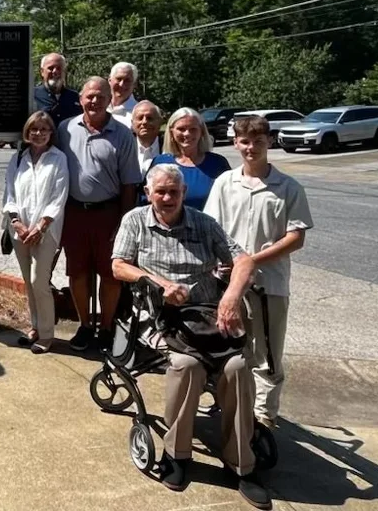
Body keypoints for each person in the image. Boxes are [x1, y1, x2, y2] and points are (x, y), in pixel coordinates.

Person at [112, 164, 271, 510]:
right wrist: (160, 285)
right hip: (158, 317)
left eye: (174, 191)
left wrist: (230, 298)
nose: (168, 198)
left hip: (207, 316)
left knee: (237, 367)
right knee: (187, 365)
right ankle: (177, 454)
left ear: (184, 193)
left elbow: (244, 262)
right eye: (161, 191)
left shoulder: (203, 223)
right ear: (148, 193)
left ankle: (242, 464)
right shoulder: (135, 220)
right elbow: (119, 265)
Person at [204, 115, 313, 430]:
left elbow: (296, 237)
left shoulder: (288, 187)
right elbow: (212, 228)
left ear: (270, 142)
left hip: (270, 284)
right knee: (233, 348)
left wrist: (251, 260)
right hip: (228, 284)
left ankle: (264, 417)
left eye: (258, 141)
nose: (251, 148)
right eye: (245, 142)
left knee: (267, 353)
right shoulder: (225, 183)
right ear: (236, 143)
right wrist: (229, 264)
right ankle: (235, 406)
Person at [57, 76, 141, 352]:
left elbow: (129, 183)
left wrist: (124, 223)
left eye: (101, 96)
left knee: (109, 274)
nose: (94, 101)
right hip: (74, 213)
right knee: (77, 272)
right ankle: (85, 326)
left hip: (109, 213)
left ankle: (106, 328)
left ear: (109, 100)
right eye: (90, 96)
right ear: (81, 98)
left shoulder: (123, 134)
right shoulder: (65, 129)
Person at [2, 111, 69, 354]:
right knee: (28, 283)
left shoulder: (58, 158)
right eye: (34, 129)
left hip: (46, 231)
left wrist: (41, 226)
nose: (38, 133)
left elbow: (58, 197)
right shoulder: (18, 158)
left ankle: (47, 335)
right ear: (27, 132)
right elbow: (9, 192)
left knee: (38, 281)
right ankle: (35, 327)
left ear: (51, 133)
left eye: (43, 129)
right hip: (20, 230)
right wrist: (16, 222)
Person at [147, 107, 230, 210]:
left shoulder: (218, 163)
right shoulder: (160, 163)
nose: (187, 134)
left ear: (201, 131)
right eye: (181, 129)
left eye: (193, 129)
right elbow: (147, 202)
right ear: (171, 132)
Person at [33, 53, 82, 129]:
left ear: (64, 72)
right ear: (42, 72)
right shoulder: (32, 96)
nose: (55, 71)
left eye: (59, 68)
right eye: (50, 68)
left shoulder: (75, 98)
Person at [132, 100, 163, 175]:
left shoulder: (169, 148)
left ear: (159, 122)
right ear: (132, 123)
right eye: (140, 118)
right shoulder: (124, 147)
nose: (144, 122)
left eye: (150, 118)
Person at [108, 61, 139, 126]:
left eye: (127, 80)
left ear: (134, 84)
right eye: (118, 79)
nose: (121, 85)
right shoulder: (99, 107)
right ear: (109, 80)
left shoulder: (139, 113)